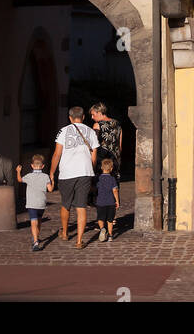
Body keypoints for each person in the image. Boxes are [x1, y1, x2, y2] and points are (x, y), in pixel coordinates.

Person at [49, 106, 98, 248]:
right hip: (85, 172)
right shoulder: (91, 132)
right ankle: (79, 241)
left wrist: (52, 172)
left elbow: (57, 154)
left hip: (67, 173)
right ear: (83, 117)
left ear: (70, 118)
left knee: (66, 204)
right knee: (81, 206)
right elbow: (93, 157)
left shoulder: (63, 131)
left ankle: (65, 233)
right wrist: (91, 170)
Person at [15, 154, 52, 252]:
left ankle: (35, 241)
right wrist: (52, 181)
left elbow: (19, 180)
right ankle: (37, 236)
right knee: (39, 221)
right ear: (43, 166)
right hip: (41, 203)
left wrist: (18, 171)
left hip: (32, 203)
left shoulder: (29, 176)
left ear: (32, 165)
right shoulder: (45, 176)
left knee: (33, 222)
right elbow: (50, 189)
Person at [89, 102, 122, 175]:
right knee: (113, 183)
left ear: (100, 113)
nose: (92, 117)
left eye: (93, 115)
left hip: (102, 159)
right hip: (115, 159)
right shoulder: (117, 123)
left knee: (101, 183)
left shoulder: (97, 125)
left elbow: (93, 144)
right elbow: (120, 145)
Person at [95, 158, 119, 243]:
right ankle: (110, 235)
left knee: (100, 218)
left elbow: (95, 189)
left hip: (100, 202)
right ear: (111, 168)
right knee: (110, 220)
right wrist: (117, 201)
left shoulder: (98, 179)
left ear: (102, 168)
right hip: (110, 202)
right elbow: (115, 190)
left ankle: (102, 229)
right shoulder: (112, 179)